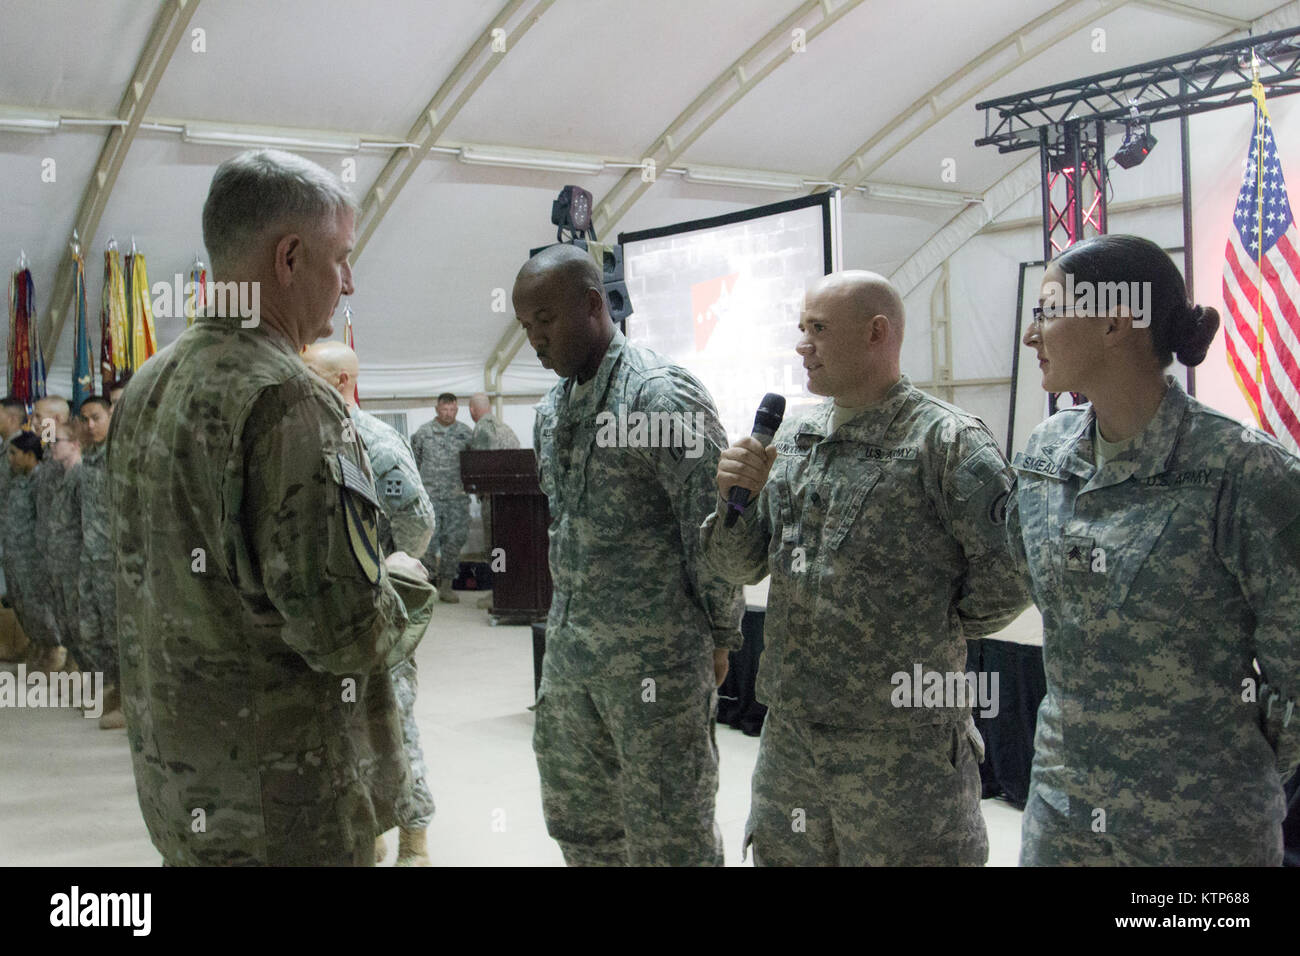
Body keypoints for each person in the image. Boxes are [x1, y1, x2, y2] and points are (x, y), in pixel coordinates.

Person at [106, 148, 435, 866]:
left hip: (183, 788)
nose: (348, 282)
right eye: (340, 258)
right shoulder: (290, 403)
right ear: (289, 257)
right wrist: (405, 578)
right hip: (284, 806)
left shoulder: (146, 388)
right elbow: (343, 632)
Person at [700, 271, 1030, 866]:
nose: (803, 345)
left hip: (903, 753)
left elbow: (1010, 573)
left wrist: (927, 624)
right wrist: (733, 503)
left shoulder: (945, 442)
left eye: (820, 330)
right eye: (802, 330)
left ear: (877, 333)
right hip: (794, 748)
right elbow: (738, 564)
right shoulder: (797, 439)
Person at [1010, 234, 1300, 866]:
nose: (1033, 335)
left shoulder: (1243, 472)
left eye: (1048, 311)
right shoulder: (1044, 456)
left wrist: (1217, 762)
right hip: (1063, 816)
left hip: (1198, 836)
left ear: (1115, 320)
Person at [515, 243, 744, 866]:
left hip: (657, 667)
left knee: (672, 836)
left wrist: (721, 635)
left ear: (594, 305)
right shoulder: (550, 411)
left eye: (546, 321)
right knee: (581, 825)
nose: (534, 340)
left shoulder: (659, 398)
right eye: (525, 327)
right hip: (571, 663)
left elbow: (712, 533)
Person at [303, 340, 437, 866]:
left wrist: (383, 574)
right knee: (343, 729)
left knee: (393, 725)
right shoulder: (304, 439)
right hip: (328, 617)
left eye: (308, 373)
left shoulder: (375, 443)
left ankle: (415, 833)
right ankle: (369, 827)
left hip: (377, 613)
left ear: (340, 382)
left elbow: (417, 523)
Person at [77, 396, 124, 728]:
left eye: (96, 418)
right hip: (90, 555)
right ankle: (111, 687)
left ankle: (128, 698)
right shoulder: (89, 458)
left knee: (117, 631)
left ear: (110, 415)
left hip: (115, 558)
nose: (90, 425)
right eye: (85, 419)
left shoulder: (120, 455)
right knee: (92, 631)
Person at [3, 432, 61, 670]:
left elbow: (45, 521)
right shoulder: (18, 480)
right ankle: (37, 648)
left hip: (33, 557)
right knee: (22, 605)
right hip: (15, 556)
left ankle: (53, 652)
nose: (10, 459)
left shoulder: (40, 483)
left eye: (14, 454)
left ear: (29, 455)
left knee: (39, 606)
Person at [410, 393, 474, 603]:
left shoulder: (466, 434)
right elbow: (414, 462)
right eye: (445, 409)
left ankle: (446, 585)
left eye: (453, 410)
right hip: (430, 498)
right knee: (428, 542)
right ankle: (428, 585)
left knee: (453, 542)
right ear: (437, 409)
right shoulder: (423, 433)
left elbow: (473, 464)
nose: (449, 414)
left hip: (457, 498)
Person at [36, 422, 82, 672]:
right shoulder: (60, 476)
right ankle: (70, 666)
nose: (52, 446)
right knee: (63, 618)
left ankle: (80, 669)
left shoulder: (81, 476)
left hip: (75, 563)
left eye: (58, 441)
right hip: (58, 561)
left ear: (74, 444)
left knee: (77, 619)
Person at [467, 391, 519, 609]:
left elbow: (482, 465)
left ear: (472, 410)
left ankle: (498, 591)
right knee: (506, 545)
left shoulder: (482, 429)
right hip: (515, 500)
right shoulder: (504, 428)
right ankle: (510, 588)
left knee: (495, 546)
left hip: (494, 499)